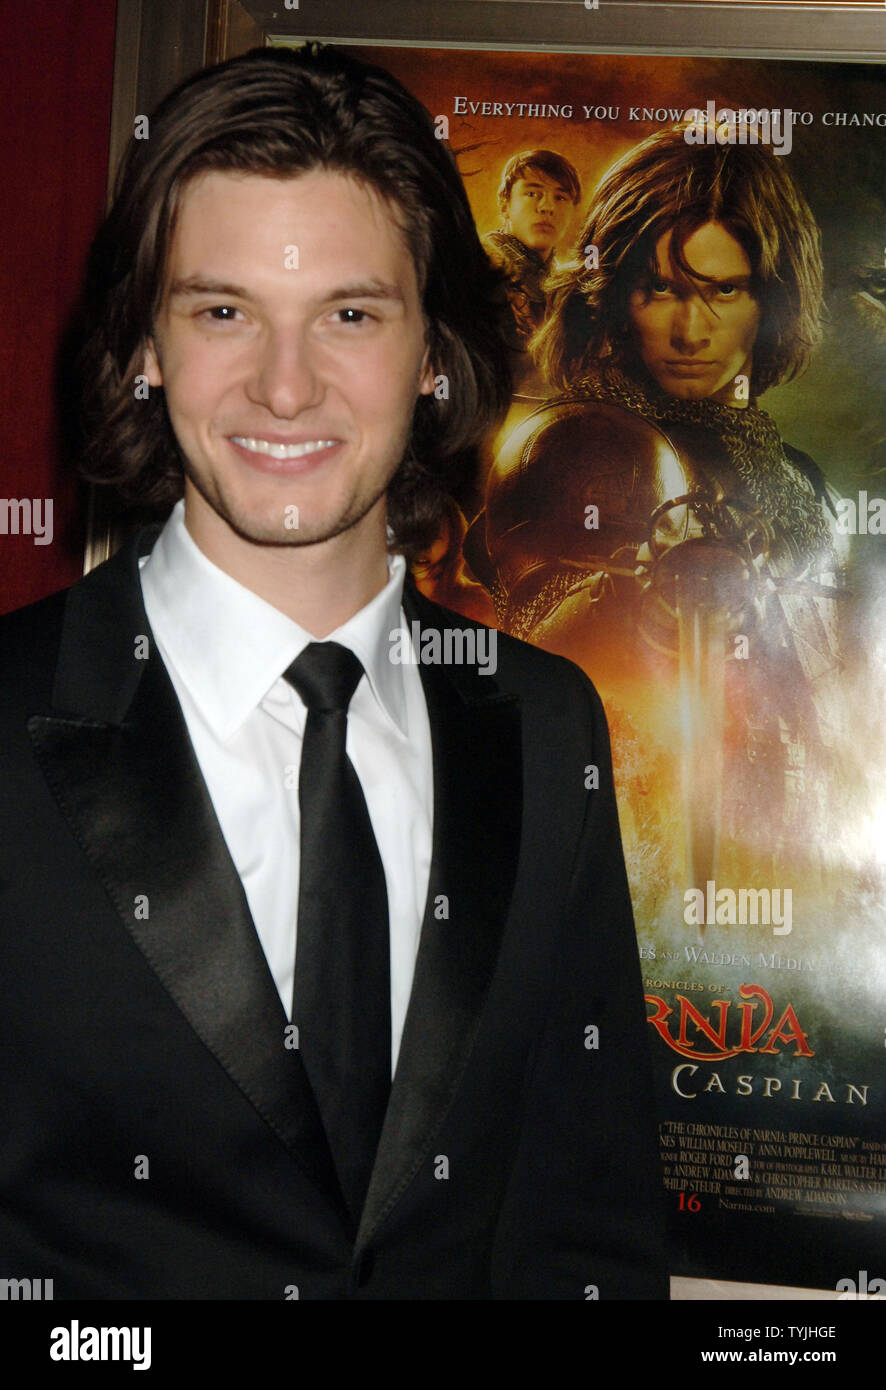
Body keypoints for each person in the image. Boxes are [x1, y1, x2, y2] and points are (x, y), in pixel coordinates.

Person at [0, 43, 665, 1300]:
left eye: (349, 314)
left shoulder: (541, 724)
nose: (286, 384)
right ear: (145, 347)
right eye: (222, 310)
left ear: (435, 354)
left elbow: (588, 1223)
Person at [469, 124, 847, 882]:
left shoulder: (800, 477)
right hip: (623, 836)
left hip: (791, 839)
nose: (690, 329)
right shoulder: (577, 447)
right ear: (616, 296)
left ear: (768, 300)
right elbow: (528, 671)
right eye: (662, 288)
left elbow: (832, 680)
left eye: (723, 290)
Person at [481, 149, 581, 395]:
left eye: (561, 198)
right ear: (505, 204)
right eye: (532, 193)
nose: (547, 207)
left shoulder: (571, 286)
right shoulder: (473, 265)